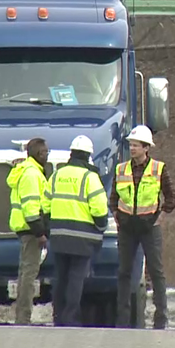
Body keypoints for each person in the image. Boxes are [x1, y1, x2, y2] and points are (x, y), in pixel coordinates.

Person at [110, 125, 175, 329]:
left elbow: (171, 198)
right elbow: (113, 199)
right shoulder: (121, 169)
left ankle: (161, 316)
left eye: (136, 145)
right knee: (124, 272)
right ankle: (122, 317)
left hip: (150, 227)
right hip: (127, 228)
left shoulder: (158, 169)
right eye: (131, 145)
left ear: (146, 148)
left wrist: (161, 217)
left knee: (156, 271)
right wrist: (118, 216)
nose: (132, 149)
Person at [42, 135, 109, 327]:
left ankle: (58, 316)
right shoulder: (90, 177)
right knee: (76, 278)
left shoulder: (57, 175)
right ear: (88, 155)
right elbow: (99, 208)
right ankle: (70, 318)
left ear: (71, 154)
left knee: (61, 276)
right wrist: (101, 227)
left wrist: (50, 227)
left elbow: (45, 205)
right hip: (83, 236)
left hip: (59, 236)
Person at [7, 137, 50, 325]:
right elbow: (31, 208)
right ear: (38, 154)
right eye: (45, 152)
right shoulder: (32, 174)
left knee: (25, 272)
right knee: (29, 274)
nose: (47, 155)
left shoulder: (28, 171)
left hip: (25, 229)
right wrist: (40, 232)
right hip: (30, 230)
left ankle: (22, 316)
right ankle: (23, 318)